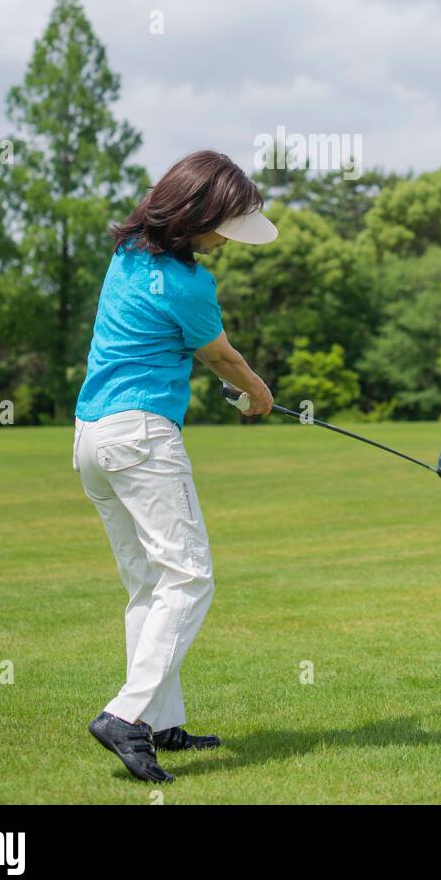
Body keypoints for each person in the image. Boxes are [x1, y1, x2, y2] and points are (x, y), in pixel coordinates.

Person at [72, 150, 276, 783]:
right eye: (224, 228)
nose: (227, 241)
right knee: (189, 579)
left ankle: (161, 724)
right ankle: (126, 715)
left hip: (92, 438)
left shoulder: (127, 254)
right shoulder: (190, 285)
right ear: (196, 216)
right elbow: (222, 358)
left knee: (148, 586)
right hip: (142, 439)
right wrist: (260, 395)